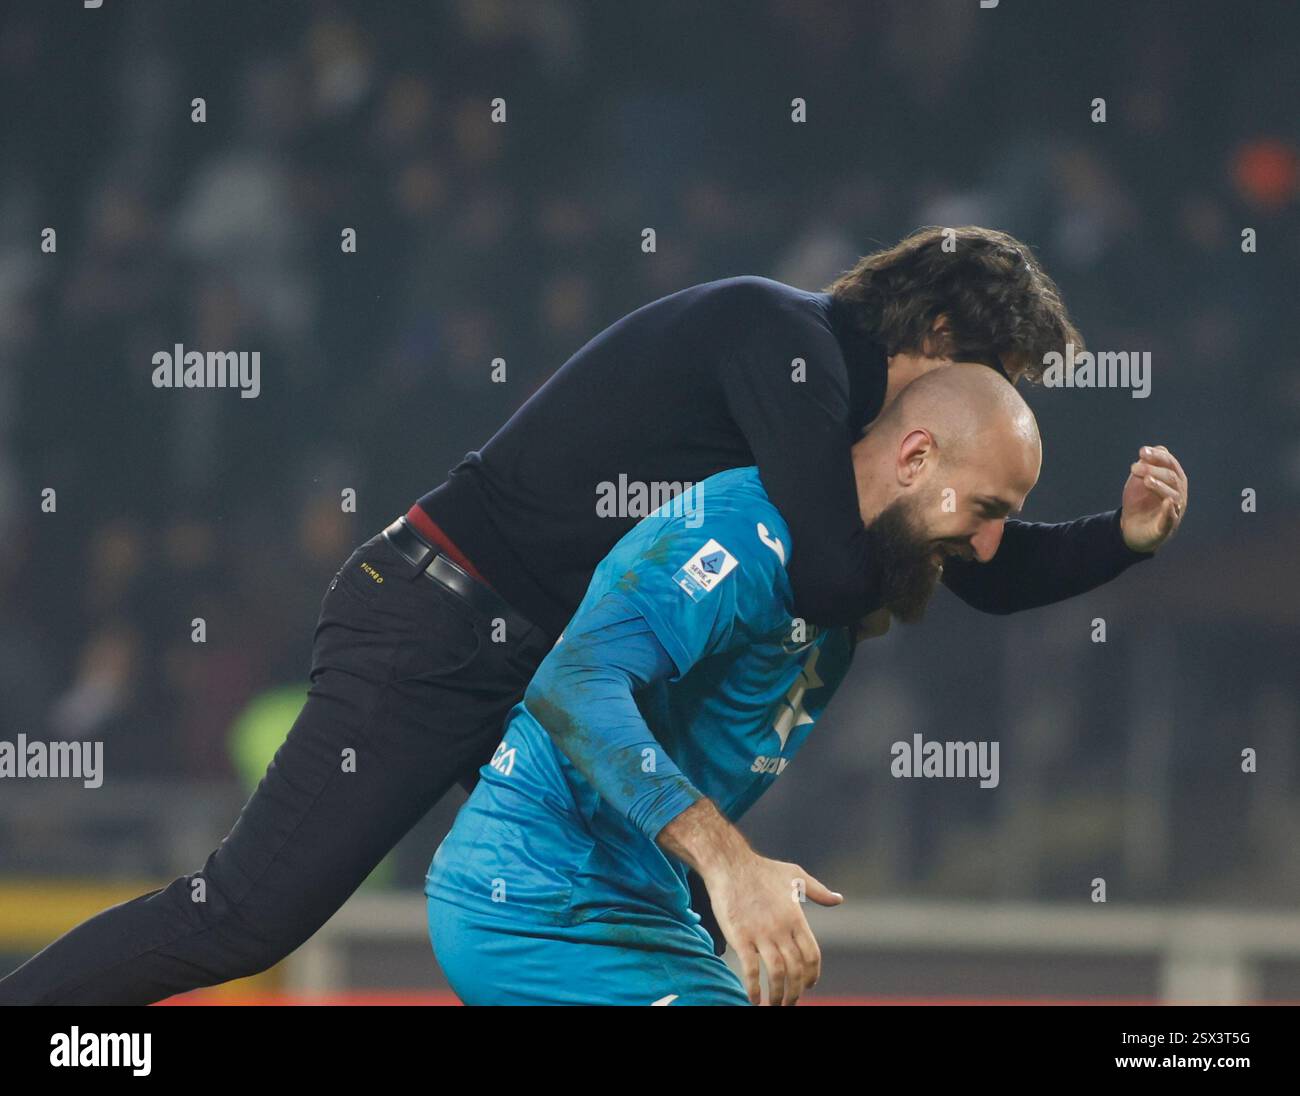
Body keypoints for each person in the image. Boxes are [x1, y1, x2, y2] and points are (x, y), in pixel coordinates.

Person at [1, 228, 1179, 1005]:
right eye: (993, 373)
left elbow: (959, 556)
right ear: (932, 345)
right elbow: (836, 570)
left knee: (586, 910)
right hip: (436, 620)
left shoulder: (852, 432)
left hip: (531, 656)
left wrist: (1115, 542)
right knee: (246, 917)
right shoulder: (787, 343)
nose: (995, 403)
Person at [427, 364, 1189, 1005]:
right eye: (986, 511)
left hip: (637, 911)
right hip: (534, 900)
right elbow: (573, 684)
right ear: (915, 457)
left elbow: (1006, 573)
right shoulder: (742, 533)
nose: (988, 546)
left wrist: (1118, 538)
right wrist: (732, 866)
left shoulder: (863, 559)